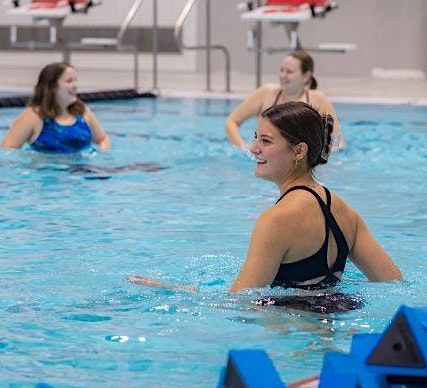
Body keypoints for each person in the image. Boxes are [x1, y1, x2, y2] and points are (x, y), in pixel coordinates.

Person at [130, 102, 401, 304]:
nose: (253, 148)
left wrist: (171, 290)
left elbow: (239, 303)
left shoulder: (277, 219)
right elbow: (393, 283)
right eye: (255, 138)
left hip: (288, 340)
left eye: (266, 141)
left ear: (299, 150)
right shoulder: (343, 210)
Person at [224, 50, 345, 150]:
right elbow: (231, 122)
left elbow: (336, 138)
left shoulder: (318, 99)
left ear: (306, 76)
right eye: (281, 70)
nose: (283, 75)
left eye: (289, 72)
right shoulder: (266, 93)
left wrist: (328, 158)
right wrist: (243, 148)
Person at [1, 63, 111, 153]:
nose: (75, 86)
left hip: (80, 173)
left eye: (75, 80)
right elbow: (7, 149)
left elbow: (102, 139)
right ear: (52, 87)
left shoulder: (83, 112)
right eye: (69, 81)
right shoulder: (34, 116)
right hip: (46, 174)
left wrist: (103, 153)